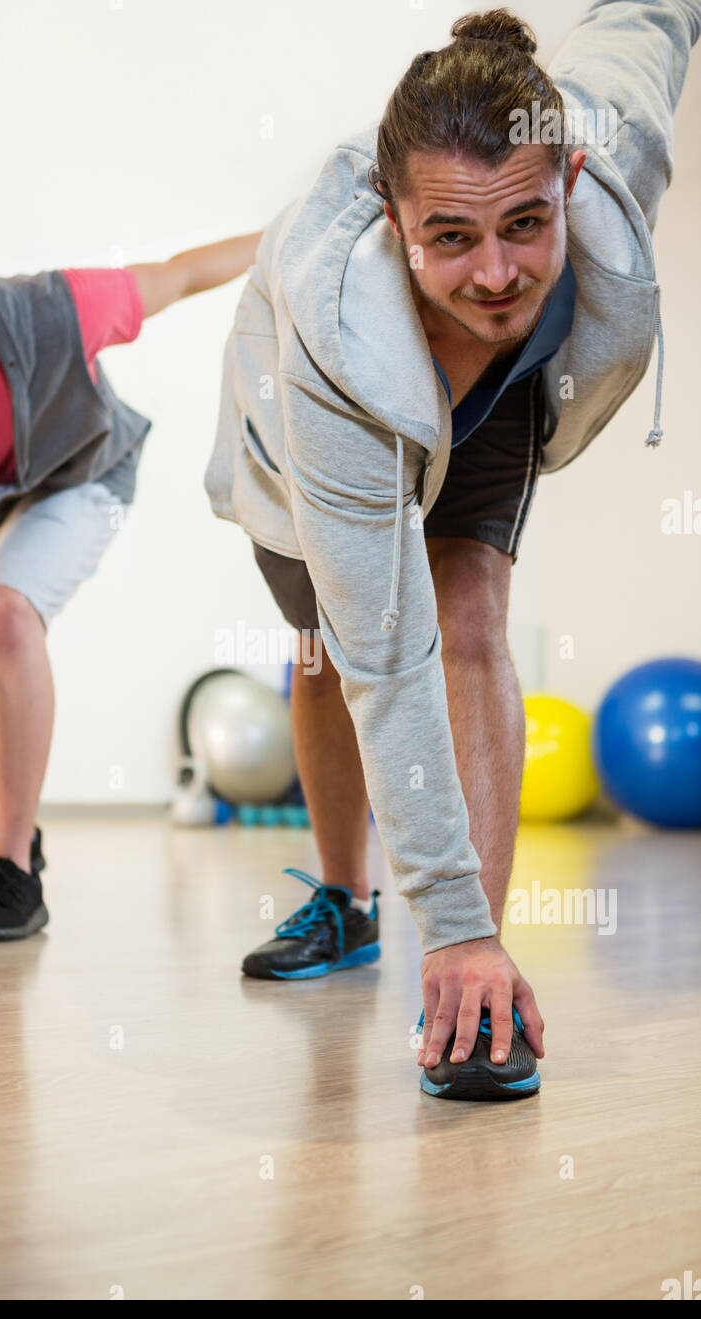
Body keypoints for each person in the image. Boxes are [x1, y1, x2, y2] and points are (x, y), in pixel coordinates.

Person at [205, 2, 699, 1098]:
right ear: (391, 219)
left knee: (470, 616)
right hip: (309, 419)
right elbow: (388, 655)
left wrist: (463, 933)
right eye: (449, 237)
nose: (493, 276)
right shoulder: (333, 316)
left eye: (523, 223)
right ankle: (347, 901)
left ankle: (477, 974)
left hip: (503, 394)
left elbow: (645, 20)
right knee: (333, 647)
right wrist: (427, 904)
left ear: (567, 172)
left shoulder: (608, 145)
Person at [0, 230, 261, 941]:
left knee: (5, 610)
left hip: (85, 476)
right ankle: (18, 832)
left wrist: (286, 227)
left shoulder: (59, 308)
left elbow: (180, 272)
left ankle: (16, 876)